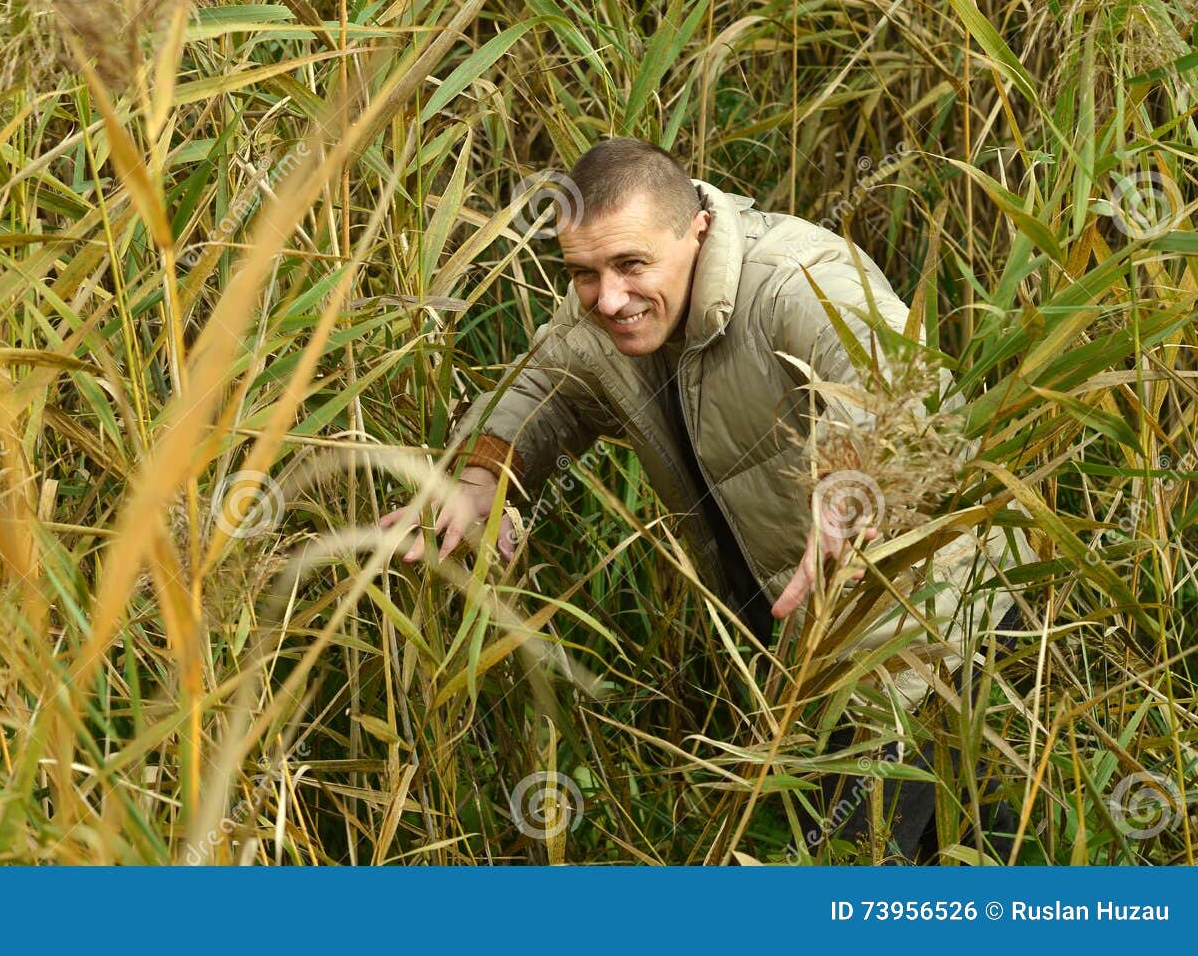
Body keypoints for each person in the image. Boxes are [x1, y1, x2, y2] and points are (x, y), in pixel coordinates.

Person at [379, 136, 1030, 861]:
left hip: (939, 630)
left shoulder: (796, 275)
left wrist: (850, 480)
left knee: (890, 868)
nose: (609, 298)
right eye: (584, 273)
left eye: (630, 264)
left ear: (696, 228)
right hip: (816, 659)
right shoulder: (595, 318)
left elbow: (897, 379)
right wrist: (480, 480)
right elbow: (540, 393)